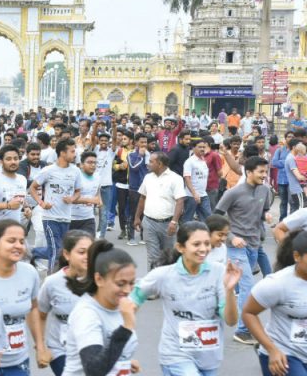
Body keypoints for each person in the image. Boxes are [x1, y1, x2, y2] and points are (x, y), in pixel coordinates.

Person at [130, 221, 241, 376]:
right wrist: (123, 344)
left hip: (210, 358)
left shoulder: (219, 273)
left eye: (207, 243)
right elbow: (132, 300)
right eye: (196, 244)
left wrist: (229, 291)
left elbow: (231, 320)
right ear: (181, 247)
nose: (203, 249)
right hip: (175, 356)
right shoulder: (163, 275)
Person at [214, 156, 273, 345]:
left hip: (254, 245)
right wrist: (231, 237)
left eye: (266, 172)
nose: (264, 175)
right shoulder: (233, 193)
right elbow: (216, 219)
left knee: (245, 287)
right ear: (249, 172)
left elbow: (262, 211)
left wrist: (266, 215)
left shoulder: (265, 190)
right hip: (235, 247)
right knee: (247, 287)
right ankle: (242, 330)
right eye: (260, 172)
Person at [64, 240, 140, 376]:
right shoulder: (86, 314)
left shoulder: (119, 305)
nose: (128, 290)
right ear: (99, 279)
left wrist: (123, 362)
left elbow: (110, 351)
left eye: (131, 283)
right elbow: (94, 370)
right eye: (120, 284)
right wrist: (126, 328)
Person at [242, 230, 307, 376]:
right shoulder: (278, 283)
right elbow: (248, 313)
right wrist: (272, 349)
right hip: (285, 354)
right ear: (297, 256)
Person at [0, 219, 42, 375]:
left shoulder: (30, 273)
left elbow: (33, 308)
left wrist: (40, 346)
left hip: (18, 362)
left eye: (22, 241)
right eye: (11, 241)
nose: (18, 246)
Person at [37, 231, 93, 375]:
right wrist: (41, 348)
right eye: (81, 252)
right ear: (67, 255)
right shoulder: (52, 282)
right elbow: (40, 314)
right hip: (60, 350)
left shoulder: (101, 282)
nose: (87, 256)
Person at [30, 138, 82, 268]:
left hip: (66, 218)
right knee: (56, 252)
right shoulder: (48, 170)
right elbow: (32, 188)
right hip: (50, 218)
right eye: (72, 151)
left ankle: (32, 252)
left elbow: (78, 191)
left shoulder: (75, 171)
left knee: (61, 250)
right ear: (62, 153)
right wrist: (41, 203)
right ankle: (51, 281)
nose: (75, 154)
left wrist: (72, 199)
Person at [133, 151, 186, 269]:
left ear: (160, 164)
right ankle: (152, 285)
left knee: (169, 257)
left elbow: (180, 201)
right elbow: (142, 197)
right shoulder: (148, 178)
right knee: (153, 257)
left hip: (168, 225)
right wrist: (137, 217)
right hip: (149, 223)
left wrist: (174, 222)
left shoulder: (175, 179)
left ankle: (167, 285)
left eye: (151, 161)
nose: (148, 164)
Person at [71, 151, 101, 236]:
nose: (93, 165)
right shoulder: (75, 177)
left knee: (89, 245)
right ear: (81, 164)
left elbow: (97, 191)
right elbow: (70, 198)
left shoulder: (97, 176)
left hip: (88, 218)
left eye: (95, 163)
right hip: (71, 219)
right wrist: (89, 200)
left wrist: (99, 200)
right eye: (89, 162)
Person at [183, 138, 212, 223]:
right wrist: (194, 193)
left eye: (204, 147)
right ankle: (185, 235)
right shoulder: (189, 162)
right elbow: (187, 178)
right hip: (191, 196)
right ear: (193, 148)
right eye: (199, 147)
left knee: (208, 218)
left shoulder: (203, 160)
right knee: (187, 219)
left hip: (203, 194)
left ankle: (206, 235)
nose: (202, 149)